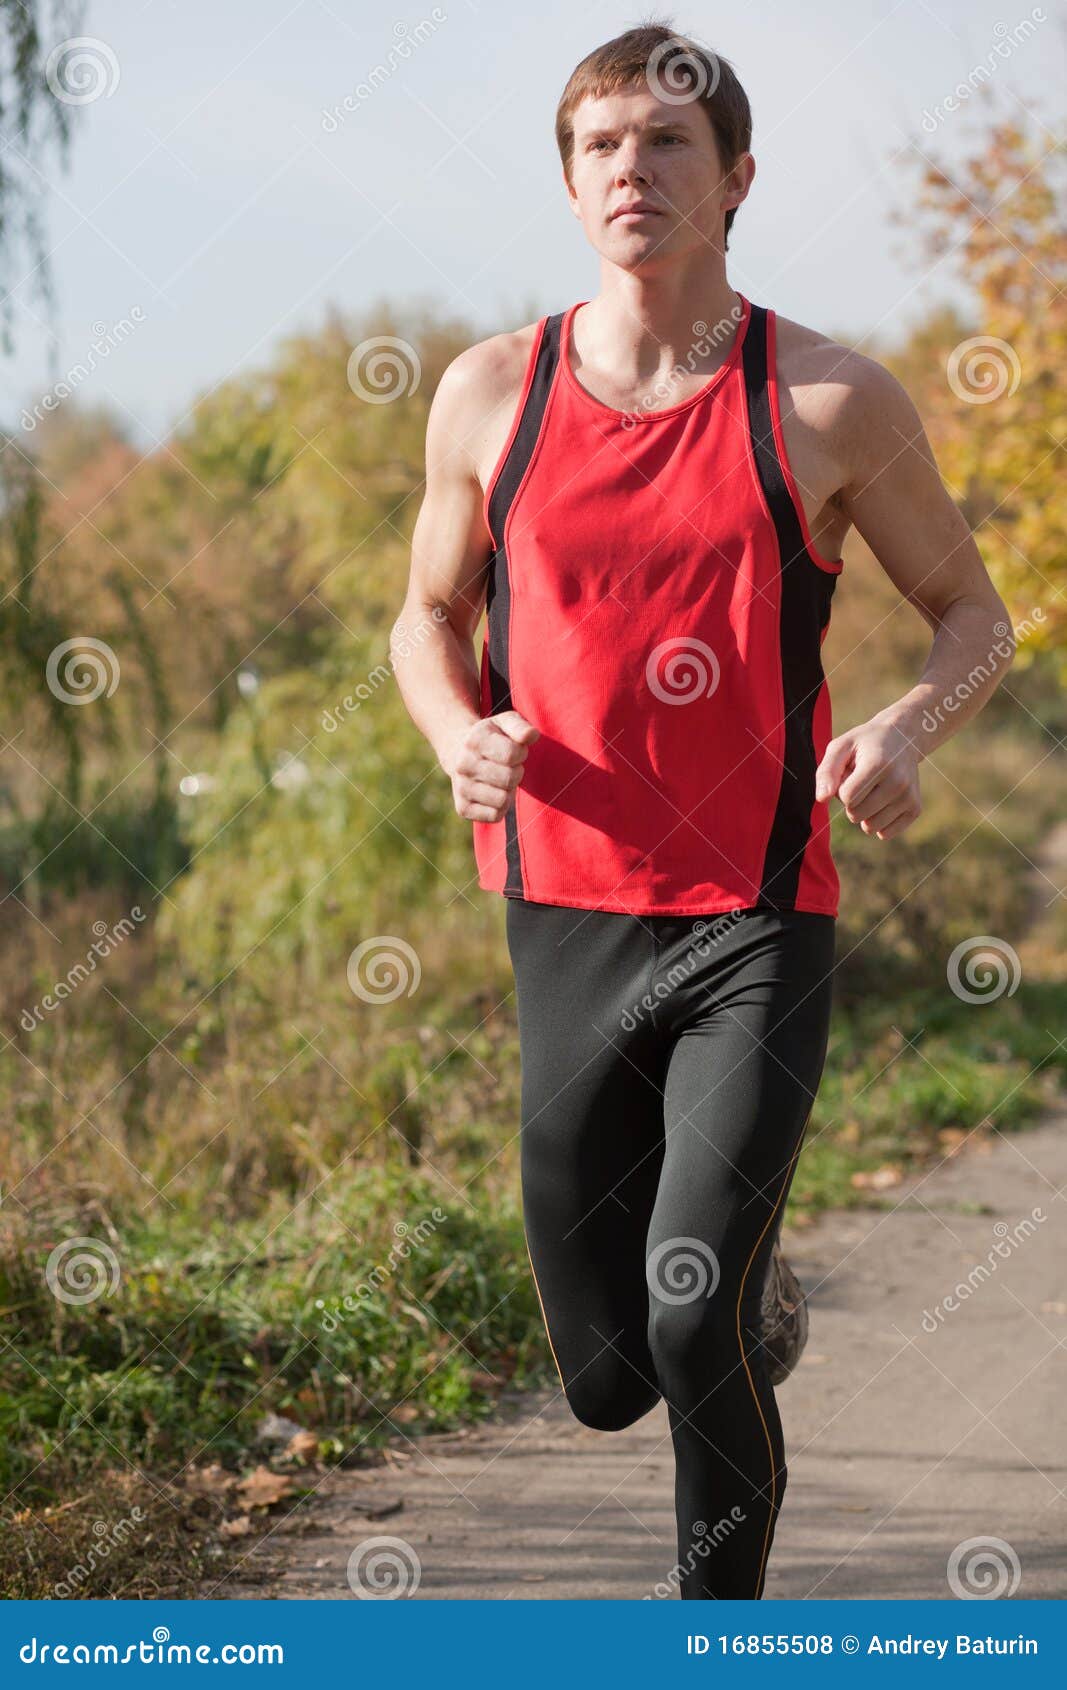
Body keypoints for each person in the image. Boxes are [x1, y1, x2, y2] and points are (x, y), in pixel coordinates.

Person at [392, 21, 1013, 1600]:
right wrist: (456, 726)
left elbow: (973, 618)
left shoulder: (825, 400)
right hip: (565, 911)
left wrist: (902, 728)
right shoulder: (488, 394)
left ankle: (712, 1634)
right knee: (605, 1370)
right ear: (570, 181)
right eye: (601, 146)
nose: (632, 170)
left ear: (736, 180)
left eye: (668, 145)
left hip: (755, 913)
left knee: (687, 1317)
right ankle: (763, 1307)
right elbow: (423, 616)